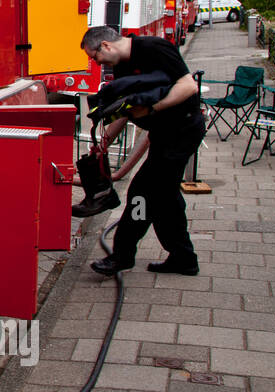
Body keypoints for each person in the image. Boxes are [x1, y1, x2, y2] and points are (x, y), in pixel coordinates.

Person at [80, 26, 205, 276]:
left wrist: (151, 109)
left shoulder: (155, 48)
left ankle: (122, 256)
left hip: (182, 131)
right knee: (166, 199)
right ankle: (184, 258)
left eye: (94, 57)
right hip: (164, 135)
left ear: (105, 45)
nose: (96, 63)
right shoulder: (122, 66)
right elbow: (126, 109)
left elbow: (188, 86)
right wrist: (105, 139)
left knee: (142, 194)